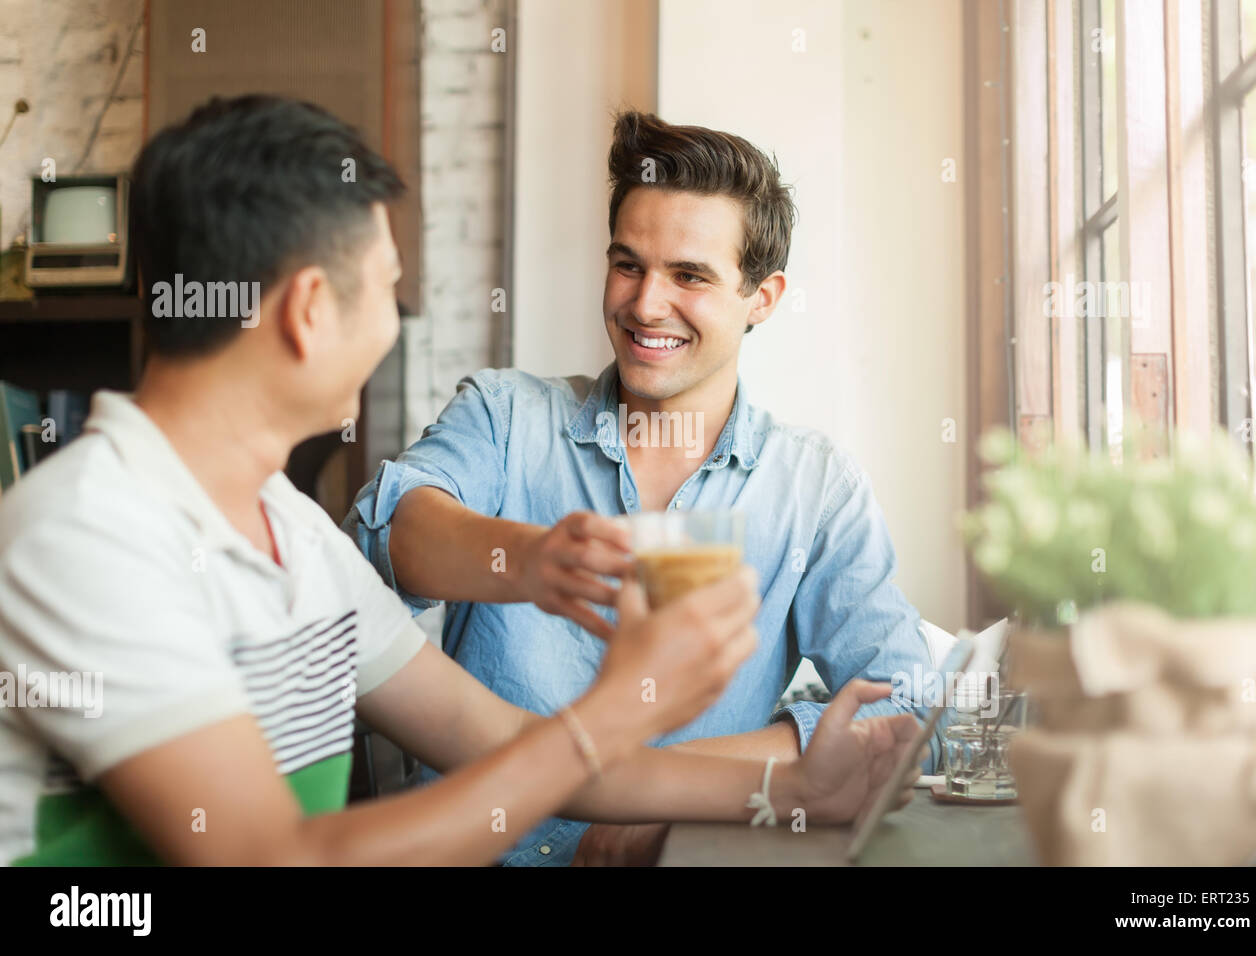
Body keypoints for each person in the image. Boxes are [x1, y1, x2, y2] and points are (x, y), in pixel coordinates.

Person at [0, 96, 922, 867]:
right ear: (312, 310)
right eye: (388, 287)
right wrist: (602, 702)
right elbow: (270, 859)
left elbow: (505, 744)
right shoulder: (84, 532)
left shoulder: (288, 529)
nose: (395, 326)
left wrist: (794, 782)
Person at [344, 111, 936, 866]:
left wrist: (664, 803)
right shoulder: (506, 416)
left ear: (763, 297)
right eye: (628, 264)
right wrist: (530, 557)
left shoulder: (815, 489)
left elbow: (910, 703)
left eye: (689, 275)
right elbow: (382, 535)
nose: (645, 304)